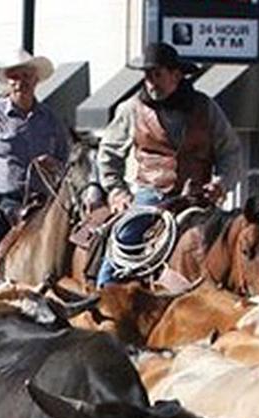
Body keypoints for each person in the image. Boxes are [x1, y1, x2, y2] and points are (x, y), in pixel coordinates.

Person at [96, 42, 242, 286]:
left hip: (200, 197)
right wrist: (117, 192)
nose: (151, 82)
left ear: (177, 74)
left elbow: (230, 151)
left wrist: (222, 183)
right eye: (147, 75)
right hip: (152, 197)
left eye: (157, 74)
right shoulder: (132, 109)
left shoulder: (206, 108)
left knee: (238, 240)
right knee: (126, 237)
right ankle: (105, 289)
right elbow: (108, 154)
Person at [0, 49, 69, 290]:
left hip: (43, 205)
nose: (21, 82)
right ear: (7, 81)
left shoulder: (51, 119)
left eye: (27, 76)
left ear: (36, 79)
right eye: (15, 77)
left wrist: (54, 166)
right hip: (2, 203)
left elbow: (67, 164)